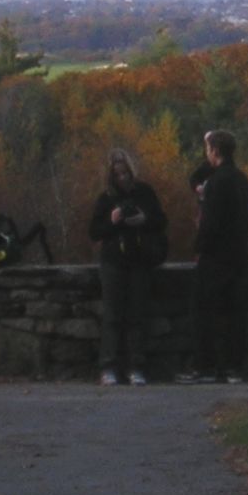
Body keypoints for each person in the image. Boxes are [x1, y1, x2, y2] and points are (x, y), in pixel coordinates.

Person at [176, 129, 248, 385]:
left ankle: (204, 366)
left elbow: (210, 224)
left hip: (215, 257)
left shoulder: (218, 183)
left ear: (215, 151)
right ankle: (233, 367)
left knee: (203, 312)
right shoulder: (241, 179)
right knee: (234, 315)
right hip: (239, 255)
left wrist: (200, 248)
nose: (206, 153)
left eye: (208, 149)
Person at [89, 147, 166, 386]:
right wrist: (112, 222)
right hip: (113, 262)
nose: (122, 178)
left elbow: (161, 221)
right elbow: (94, 232)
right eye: (118, 174)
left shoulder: (145, 193)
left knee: (136, 316)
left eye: (125, 173)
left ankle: (136, 366)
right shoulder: (105, 198)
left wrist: (144, 220)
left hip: (139, 261)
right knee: (112, 316)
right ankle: (109, 366)